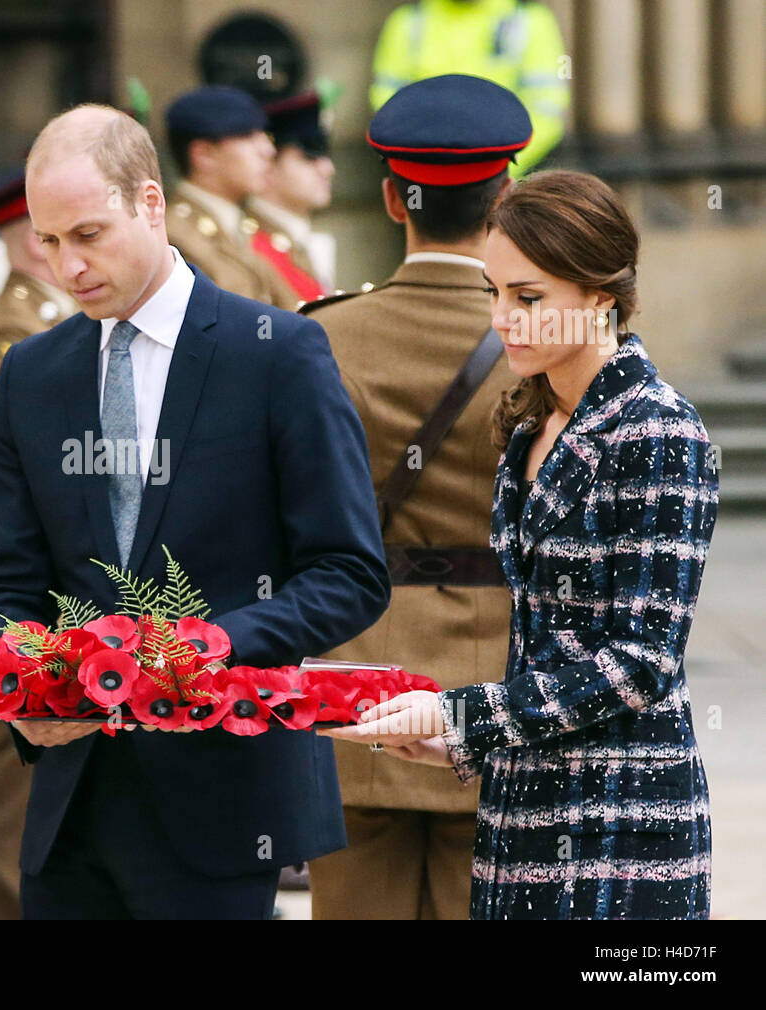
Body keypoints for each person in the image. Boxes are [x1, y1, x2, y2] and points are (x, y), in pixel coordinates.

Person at [0, 104, 391, 920]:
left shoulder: (277, 352)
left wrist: (212, 645)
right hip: (72, 811)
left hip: (224, 804)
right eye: (50, 242)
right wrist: (18, 677)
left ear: (151, 204)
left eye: (88, 234)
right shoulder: (29, 374)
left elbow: (348, 572)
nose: (68, 266)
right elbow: (4, 583)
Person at [330, 169, 718, 920]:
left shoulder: (658, 428)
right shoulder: (533, 420)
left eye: (528, 298)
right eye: (495, 294)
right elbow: (542, 643)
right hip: (519, 808)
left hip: (622, 816)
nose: (503, 318)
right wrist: (460, 746)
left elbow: (640, 662)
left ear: (600, 297)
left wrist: (460, 715)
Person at [301, 74, 528, 921]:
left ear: (395, 199)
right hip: (497, 694)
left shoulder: (317, 335)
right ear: (507, 199)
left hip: (356, 692)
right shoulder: (538, 340)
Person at [0, 172, 76, 921]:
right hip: (31, 597)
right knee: (8, 784)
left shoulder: (47, 319)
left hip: (54, 593)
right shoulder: (15, 335)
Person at [370, 0, 569, 175]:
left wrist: (495, 169)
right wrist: (429, 167)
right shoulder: (407, 21)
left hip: (507, 176)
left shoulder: (530, 19)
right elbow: (387, 105)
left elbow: (547, 110)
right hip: (424, 180)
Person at [162, 85, 293, 308]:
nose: (268, 150)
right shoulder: (175, 237)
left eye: (264, 135)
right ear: (203, 154)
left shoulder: (250, 226)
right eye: (249, 137)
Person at [248, 91, 336, 302]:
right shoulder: (252, 248)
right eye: (309, 156)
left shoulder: (297, 241)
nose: (328, 169)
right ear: (268, 163)